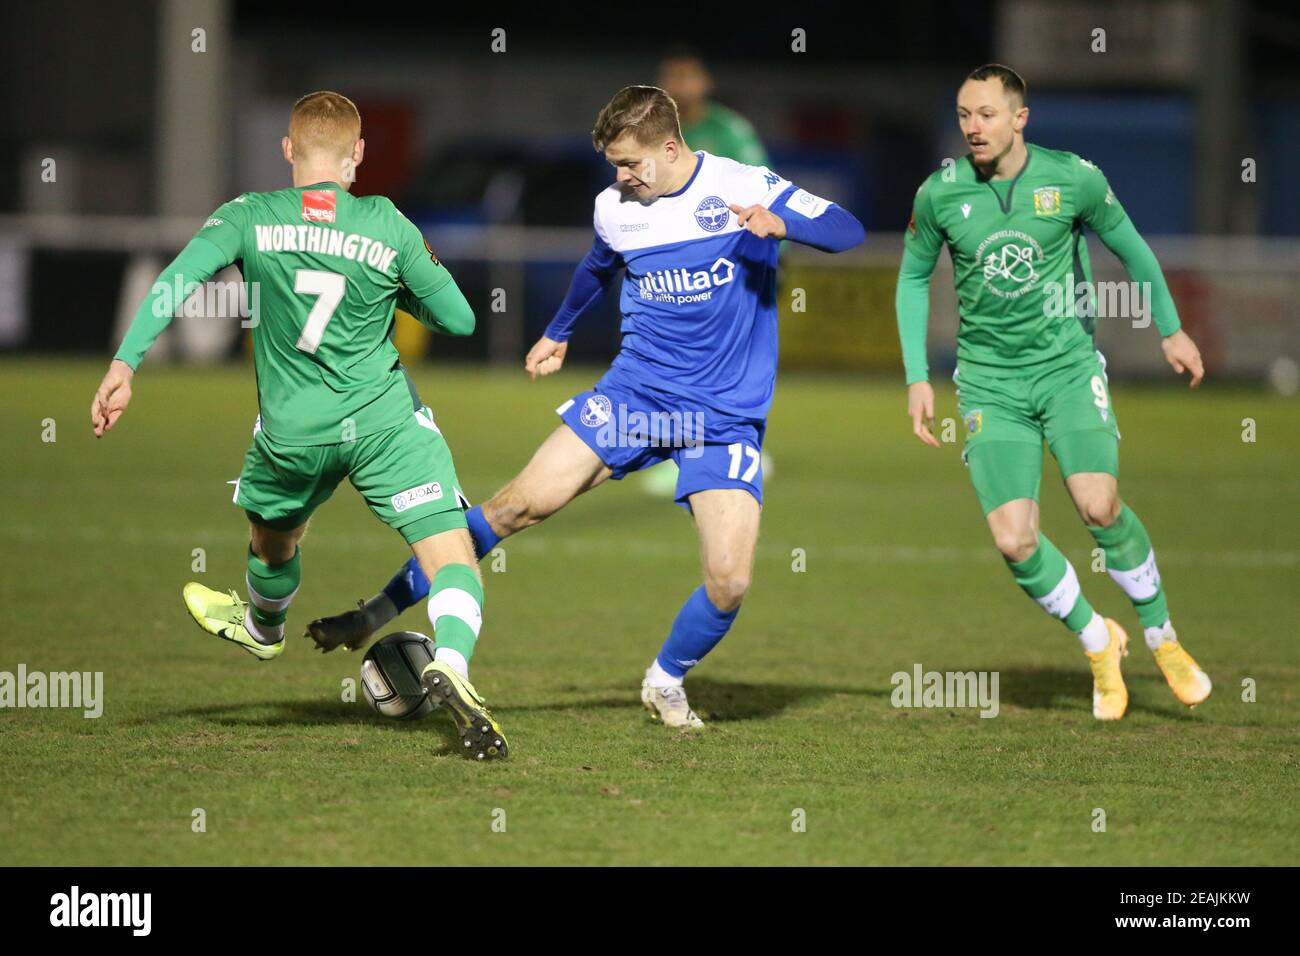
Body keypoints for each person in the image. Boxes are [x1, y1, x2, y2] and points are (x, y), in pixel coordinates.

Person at [306, 85, 864, 730]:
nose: (621, 179)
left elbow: (846, 230)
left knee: (729, 581)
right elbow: (598, 266)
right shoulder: (616, 206)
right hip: (637, 396)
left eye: (631, 164)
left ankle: (664, 680)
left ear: (671, 147)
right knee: (516, 505)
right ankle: (376, 611)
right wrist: (560, 329)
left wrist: (784, 223)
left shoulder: (743, 184)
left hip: (722, 415)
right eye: (613, 166)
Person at [90, 91, 508, 759]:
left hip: (294, 433)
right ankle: (452, 664)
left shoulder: (249, 216)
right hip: (385, 425)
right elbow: (458, 319)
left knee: (274, 542)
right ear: (359, 155)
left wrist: (124, 364)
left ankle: (264, 625)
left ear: (288, 150)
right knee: (451, 555)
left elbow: (176, 280)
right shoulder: (387, 224)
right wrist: (396, 284)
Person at [895, 64, 1211, 720]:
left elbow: (1134, 251)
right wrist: (916, 376)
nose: (972, 127)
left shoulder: (1074, 178)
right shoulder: (940, 194)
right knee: (1014, 540)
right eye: (962, 115)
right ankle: (1100, 642)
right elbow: (912, 279)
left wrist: (1171, 330)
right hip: (989, 384)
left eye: (985, 114)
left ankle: (1162, 636)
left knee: (1098, 505)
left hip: (1067, 371)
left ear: (1019, 118)